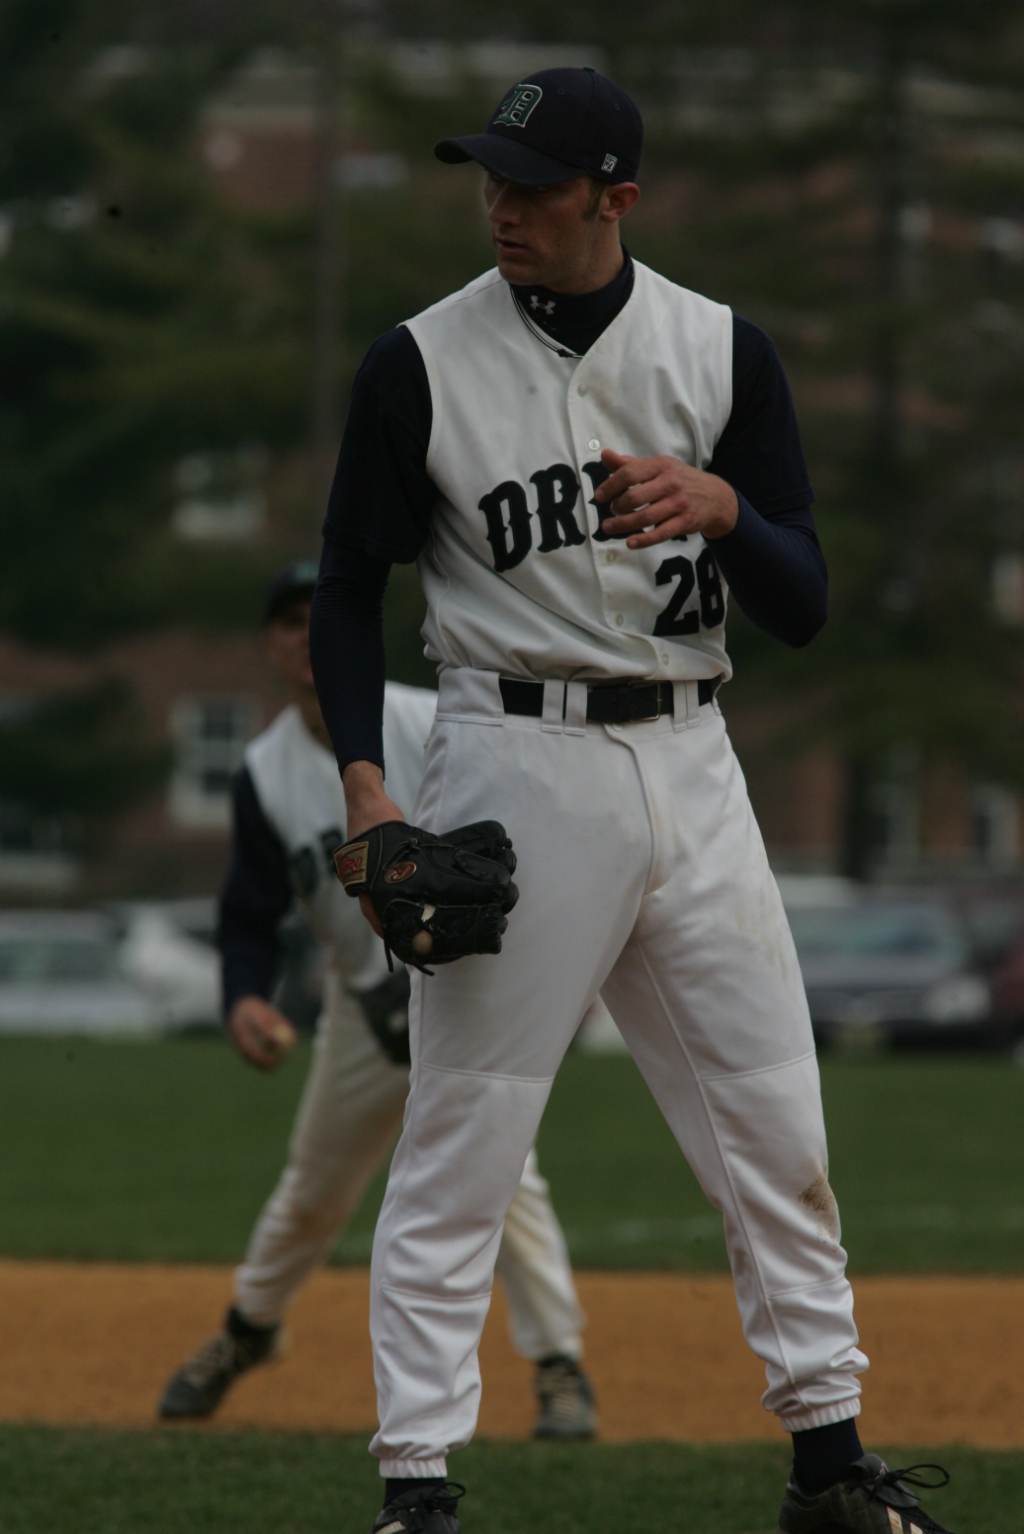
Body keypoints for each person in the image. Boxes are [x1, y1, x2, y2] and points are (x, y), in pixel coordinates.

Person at [310, 68, 957, 1534]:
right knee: (466, 1129)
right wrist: (366, 775)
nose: (501, 208)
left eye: (533, 187)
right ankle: (416, 1484)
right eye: (491, 181)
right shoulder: (416, 361)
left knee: (775, 1122)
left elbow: (803, 601)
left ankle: (829, 1463)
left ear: (619, 198)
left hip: (695, 758)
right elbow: (350, 588)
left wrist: (730, 508)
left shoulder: (722, 353)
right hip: (512, 757)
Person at [157, 561, 597, 1442]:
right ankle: (248, 1333)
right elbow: (249, 912)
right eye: (285, 622)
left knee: (508, 1176)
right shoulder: (263, 771)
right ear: (271, 645)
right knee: (314, 1188)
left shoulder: (427, 718)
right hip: (364, 1011)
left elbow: (517, 837)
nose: (300, 634)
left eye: (314, 615)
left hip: (465, 991)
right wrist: (245, 995)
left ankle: (558, 1365)